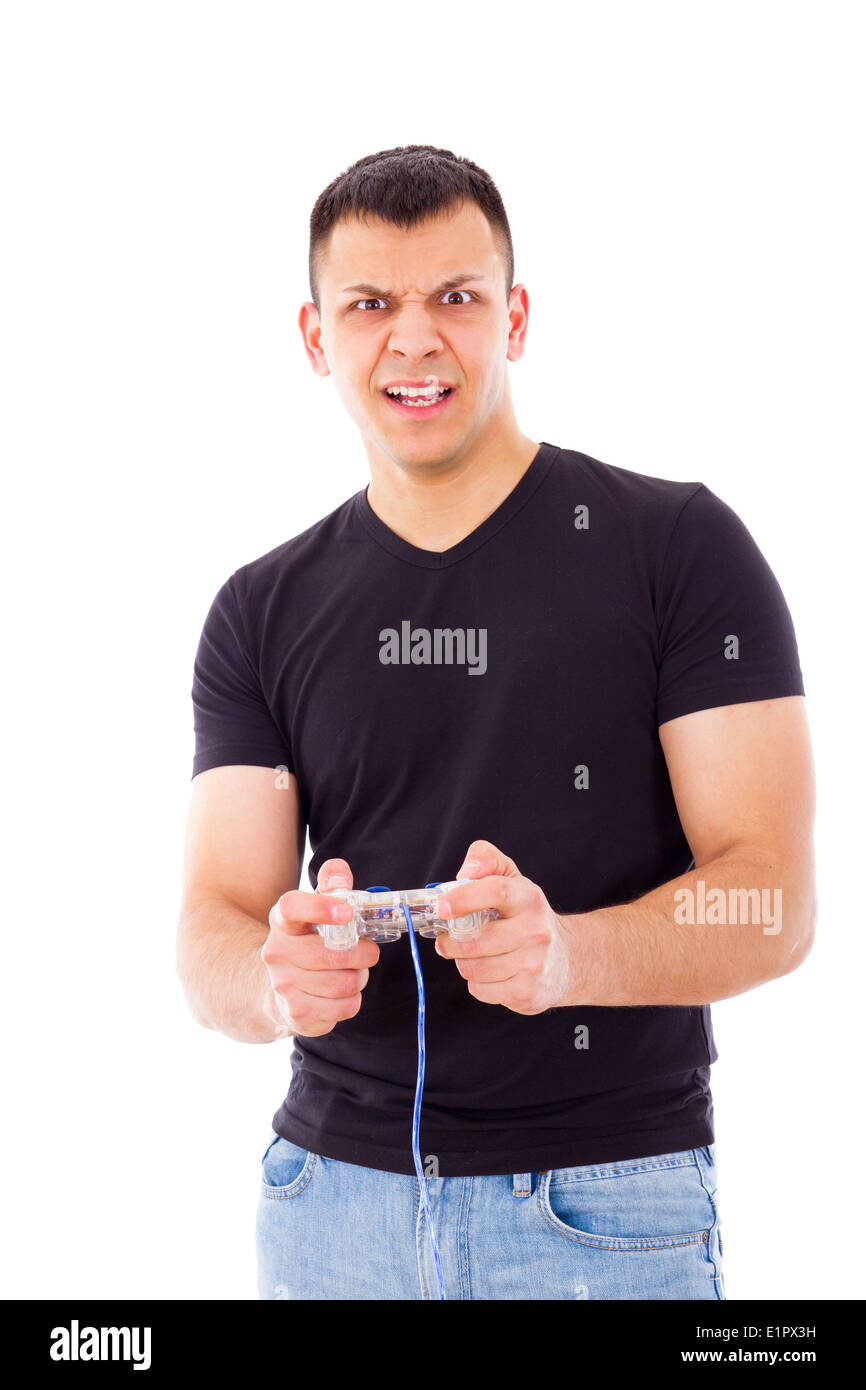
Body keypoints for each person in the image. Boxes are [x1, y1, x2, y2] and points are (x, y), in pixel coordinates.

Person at [177, 145, 816, 1301]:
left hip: (600, 1207)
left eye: (455, 299)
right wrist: (275, 984)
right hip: (328, 1209)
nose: (413, 340)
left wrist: (566, 953)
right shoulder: (259, 609)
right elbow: (211, 928)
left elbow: (770, 900)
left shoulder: (676, 550)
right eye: (370, 304)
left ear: (513, 318)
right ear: (317, 338)